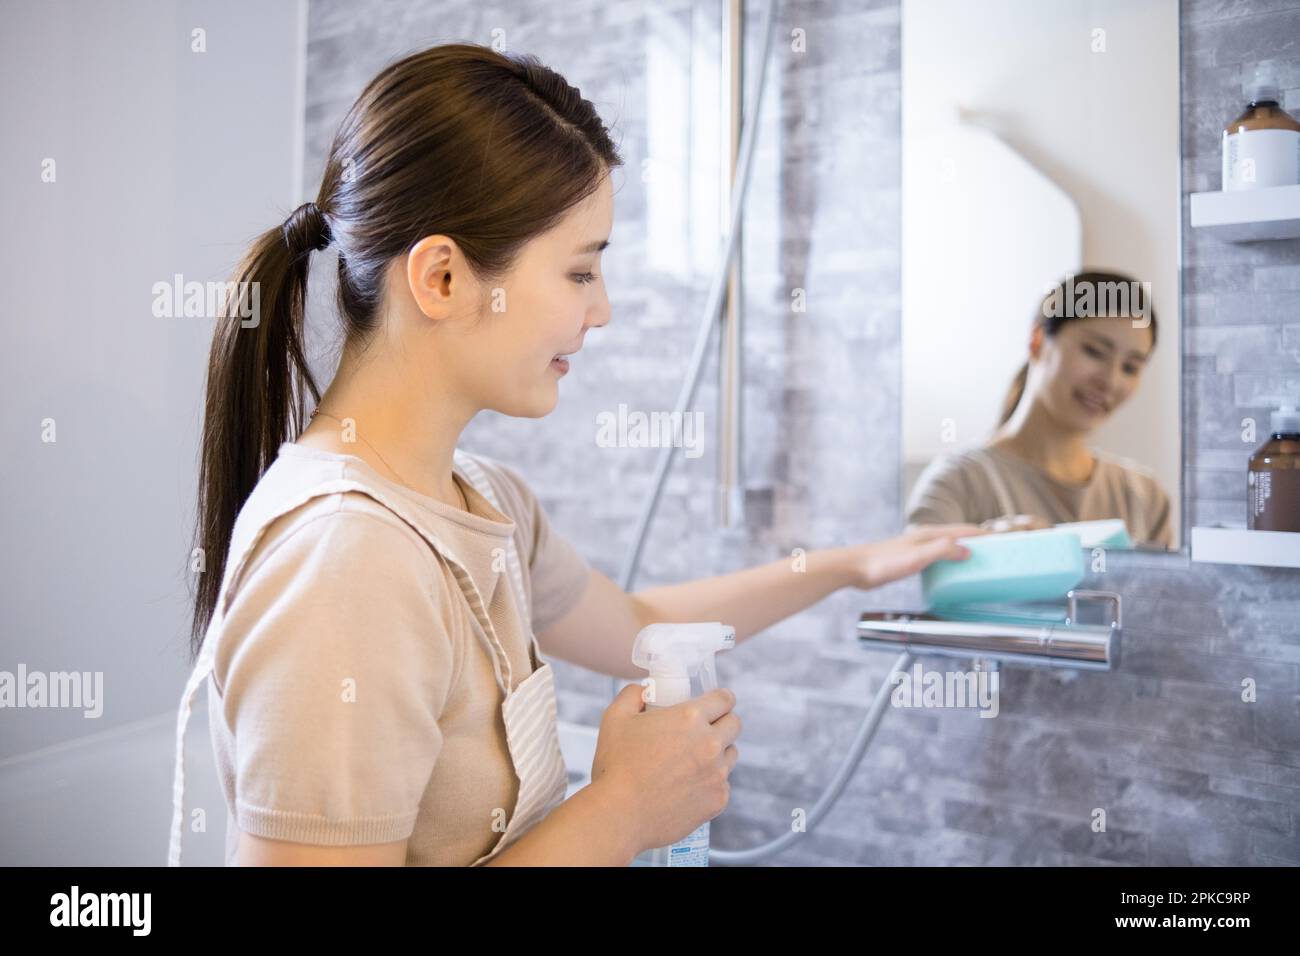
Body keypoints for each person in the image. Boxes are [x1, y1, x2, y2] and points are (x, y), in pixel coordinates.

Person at [170, 43, 979, 868]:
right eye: (580, 272)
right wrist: (621, 811)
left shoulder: (482, 500)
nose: (604, 311)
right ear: (443, 280)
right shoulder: (347, 560)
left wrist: (851, 565)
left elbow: (641, 626)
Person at [906, 270, 1172, 548]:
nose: (1110, 380)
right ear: (1037, 341)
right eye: (1094, 351)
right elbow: (916, 585)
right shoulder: (957, 484)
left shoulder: (1145, 498)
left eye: (1130, 367)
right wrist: (989, 554)